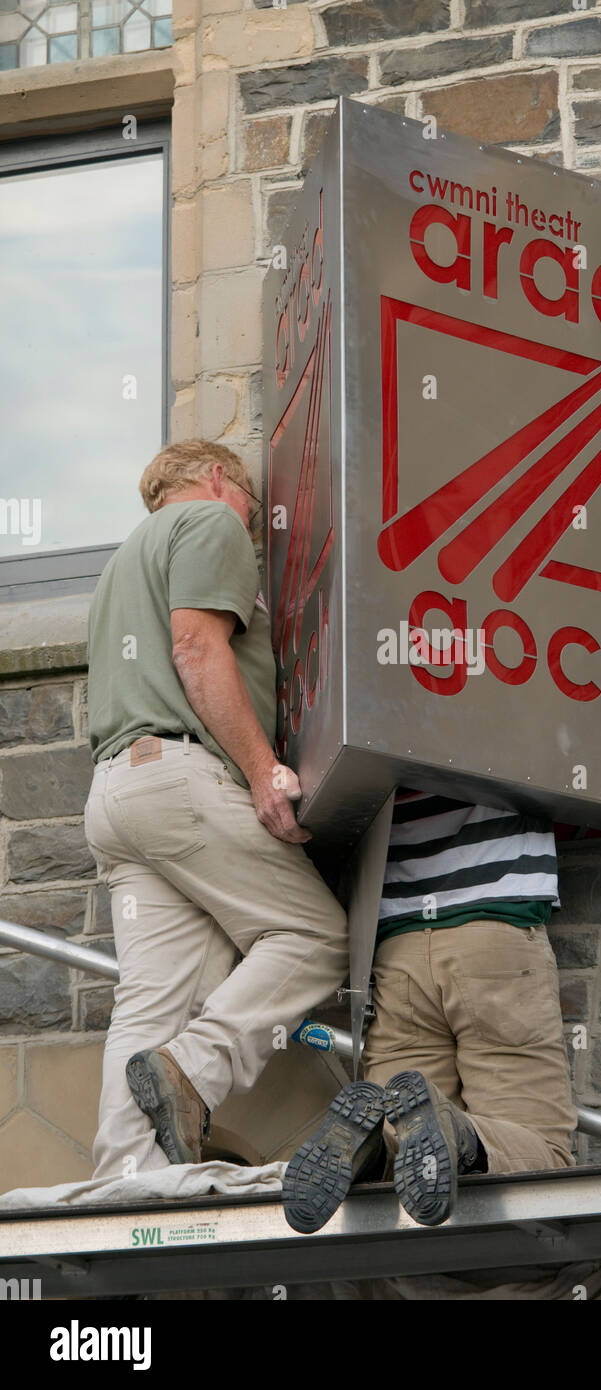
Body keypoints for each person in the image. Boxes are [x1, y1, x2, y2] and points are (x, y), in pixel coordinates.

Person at [84, 439, 348, 1178]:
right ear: (214, 478)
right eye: (252, 506)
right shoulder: (211, 523)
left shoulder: (117, 566)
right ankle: (195, 1074)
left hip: (116, 795)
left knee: (147, 1006)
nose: (255, 528)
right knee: (316, 934)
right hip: (178, 781)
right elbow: (197, 649)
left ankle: (127, 1182)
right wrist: (264, 772)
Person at [282, 788, 577, 1232]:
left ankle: (370, 1153)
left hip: (397, 948)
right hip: (495, 929)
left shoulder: (364, 719)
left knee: (396, 1136)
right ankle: (462, 1138)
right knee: (544, 1153)